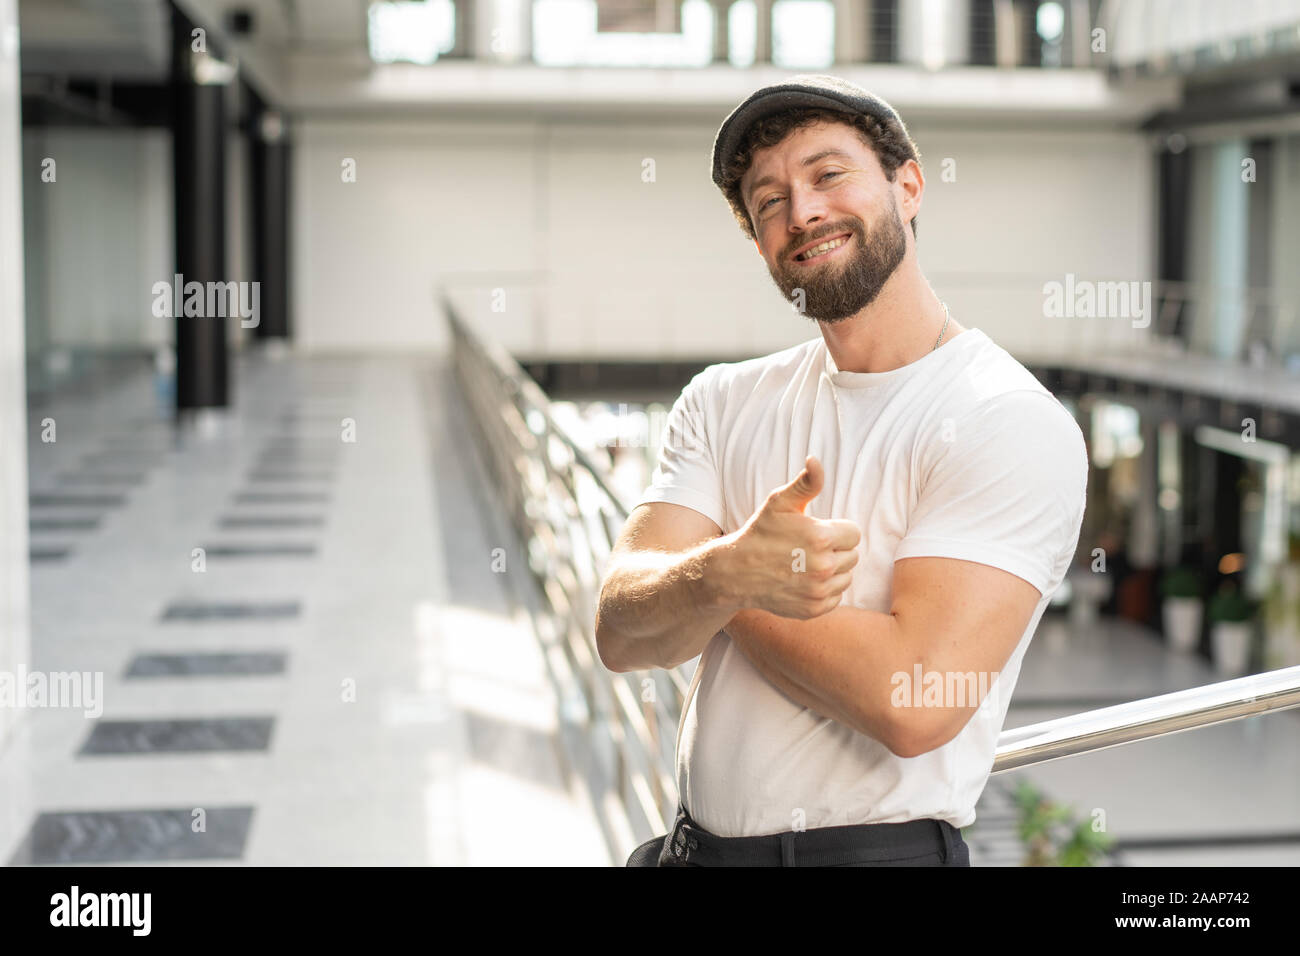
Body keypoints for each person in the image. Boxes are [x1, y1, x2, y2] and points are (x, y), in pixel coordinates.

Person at [596, 75, 1088, 867]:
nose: (804, 212)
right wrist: (728, 569)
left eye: (829, 175)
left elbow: (912, 697)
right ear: (759, 242)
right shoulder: (723, 400)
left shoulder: (1007, 419)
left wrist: (717, 584)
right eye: (769, 202)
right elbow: (619, 628)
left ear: (909, 184)